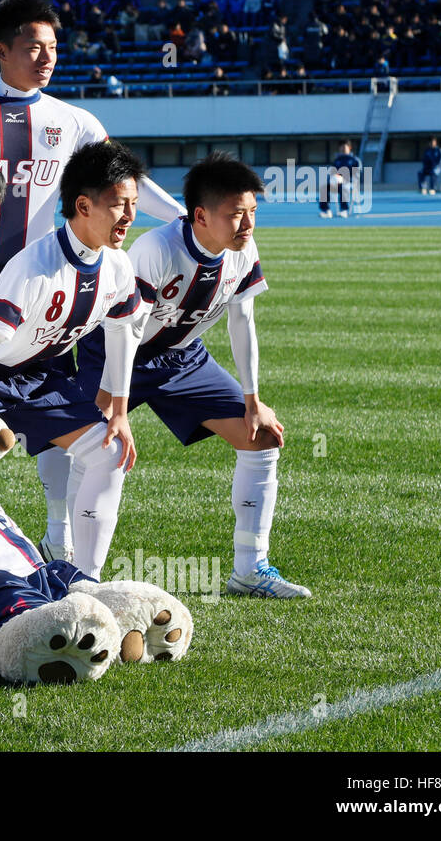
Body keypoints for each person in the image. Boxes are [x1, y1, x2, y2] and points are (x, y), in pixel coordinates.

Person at [0, 0, 185, 564]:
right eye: (33, 47)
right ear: (0, 51)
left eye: (53, 48)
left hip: (48, 294)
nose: (46, 58)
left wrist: (182, 217)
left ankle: (60, 538)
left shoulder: (75, 122)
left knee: (56, 425)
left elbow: (126, 181)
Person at [77, 152, 312, 599]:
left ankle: (249, 569)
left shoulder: (244, 251)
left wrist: (252, 399)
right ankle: (76, 570)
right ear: (200, 215)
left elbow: (242, 321)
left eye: (252, 213)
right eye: (236, 215)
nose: (247, 225)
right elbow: (125, 331)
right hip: (115, 352)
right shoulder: (156, 249)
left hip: (184, 359)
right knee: (95, 448)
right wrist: (117, 402)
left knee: (261, 436)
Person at [0, 140, 144, 570]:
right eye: (119, 205)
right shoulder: (33, 267)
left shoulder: (117, 267)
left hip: (44, 378)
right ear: (83, 206)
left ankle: (85, 581)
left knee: (110, 450)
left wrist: (119, 411)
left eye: (133, 204)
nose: (129, 216)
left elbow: (126, 330)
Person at [321, 139, 361, 218]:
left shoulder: (355, 160)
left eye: (344, 147)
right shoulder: (337, 160)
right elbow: (332, 172)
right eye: (341, 147)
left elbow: (357, 174)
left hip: (349, 183)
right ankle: (327, 211)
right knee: (324, 188)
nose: (342, 149)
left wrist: (348, 180)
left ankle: (344, 210)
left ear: (349, 147)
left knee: (343, 186)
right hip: (337, 182)